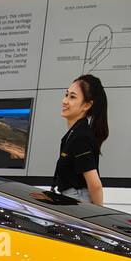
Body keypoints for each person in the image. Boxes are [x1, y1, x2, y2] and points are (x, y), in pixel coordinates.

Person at [53, 73, 108, 205]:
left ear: (87, 105)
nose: (65, 101)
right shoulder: (74, 134)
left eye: (72, 97)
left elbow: (95, 185)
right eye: (66, 95)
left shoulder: (81, 137)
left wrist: (98, 217)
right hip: (71, 200)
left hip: (77, 202)